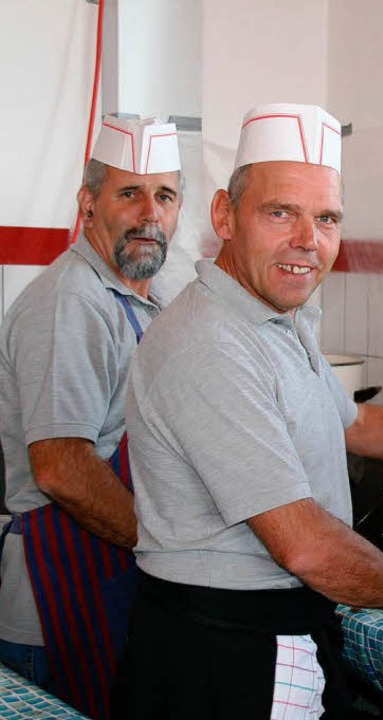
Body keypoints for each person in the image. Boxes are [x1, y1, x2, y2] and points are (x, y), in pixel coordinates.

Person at [111, 103, 383, 719]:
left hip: (278, 629)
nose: (307, 240)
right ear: (225, 216)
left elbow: (359, 425)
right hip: (228, 652)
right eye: (281, 213)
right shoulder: (212, 344)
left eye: (326, 218)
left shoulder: (280, 317)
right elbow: (305, 547)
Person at [0, 116, 183, 719]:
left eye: (164, 195)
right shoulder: (70, 302)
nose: (149, 214)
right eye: (129, 193)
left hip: (109, 575)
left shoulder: (137, 295)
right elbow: (60, 468)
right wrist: (174, 549)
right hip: (58, 589)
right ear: (88, 204)